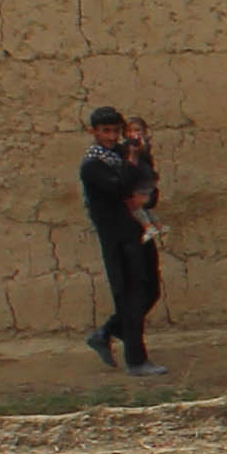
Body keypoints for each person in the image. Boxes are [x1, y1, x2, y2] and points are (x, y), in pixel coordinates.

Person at [79, 107, 168, 376]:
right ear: (93, 132)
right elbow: (119, 189)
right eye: (105, 131)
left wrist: (143, 188)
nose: (111, 136)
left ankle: (107, 332)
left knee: (151, 290)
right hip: (117, 238)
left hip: (138, 234)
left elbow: (147, 186)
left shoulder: (122, 155)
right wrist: (131, 163)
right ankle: (136, 360)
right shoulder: (93, 165)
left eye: (116, 131)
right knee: (130, 295)